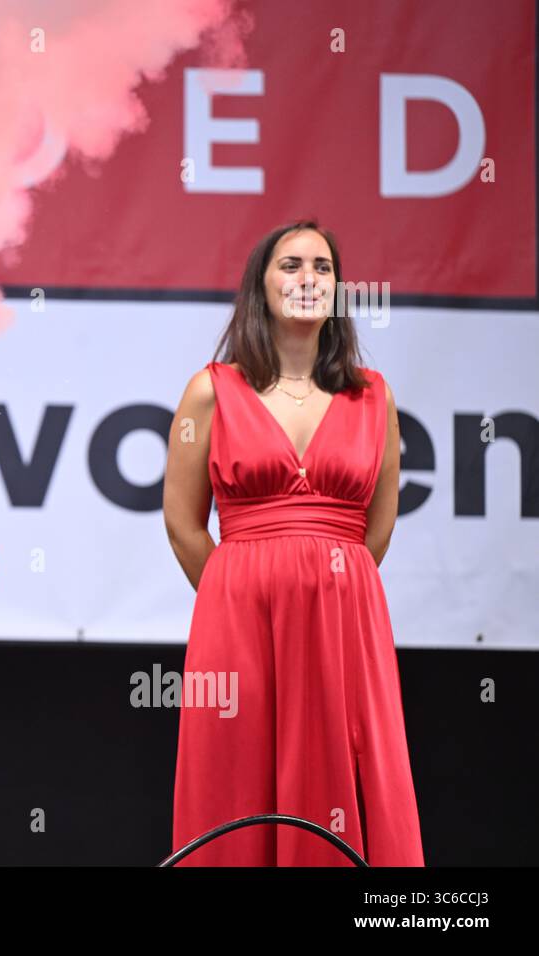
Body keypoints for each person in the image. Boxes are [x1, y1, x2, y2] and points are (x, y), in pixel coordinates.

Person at [163, 220, 424, 865]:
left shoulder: (375, 396)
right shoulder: (210, 390)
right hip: (237, 616)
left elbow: (378, 525)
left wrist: (331, 585)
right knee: (234, 763)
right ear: (262, 283)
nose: (307, 279)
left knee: (348, 764)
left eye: (322, 267)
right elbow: (182, 521)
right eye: (290, 265)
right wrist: (237, 588)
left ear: (338, 288)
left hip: (345, 615)